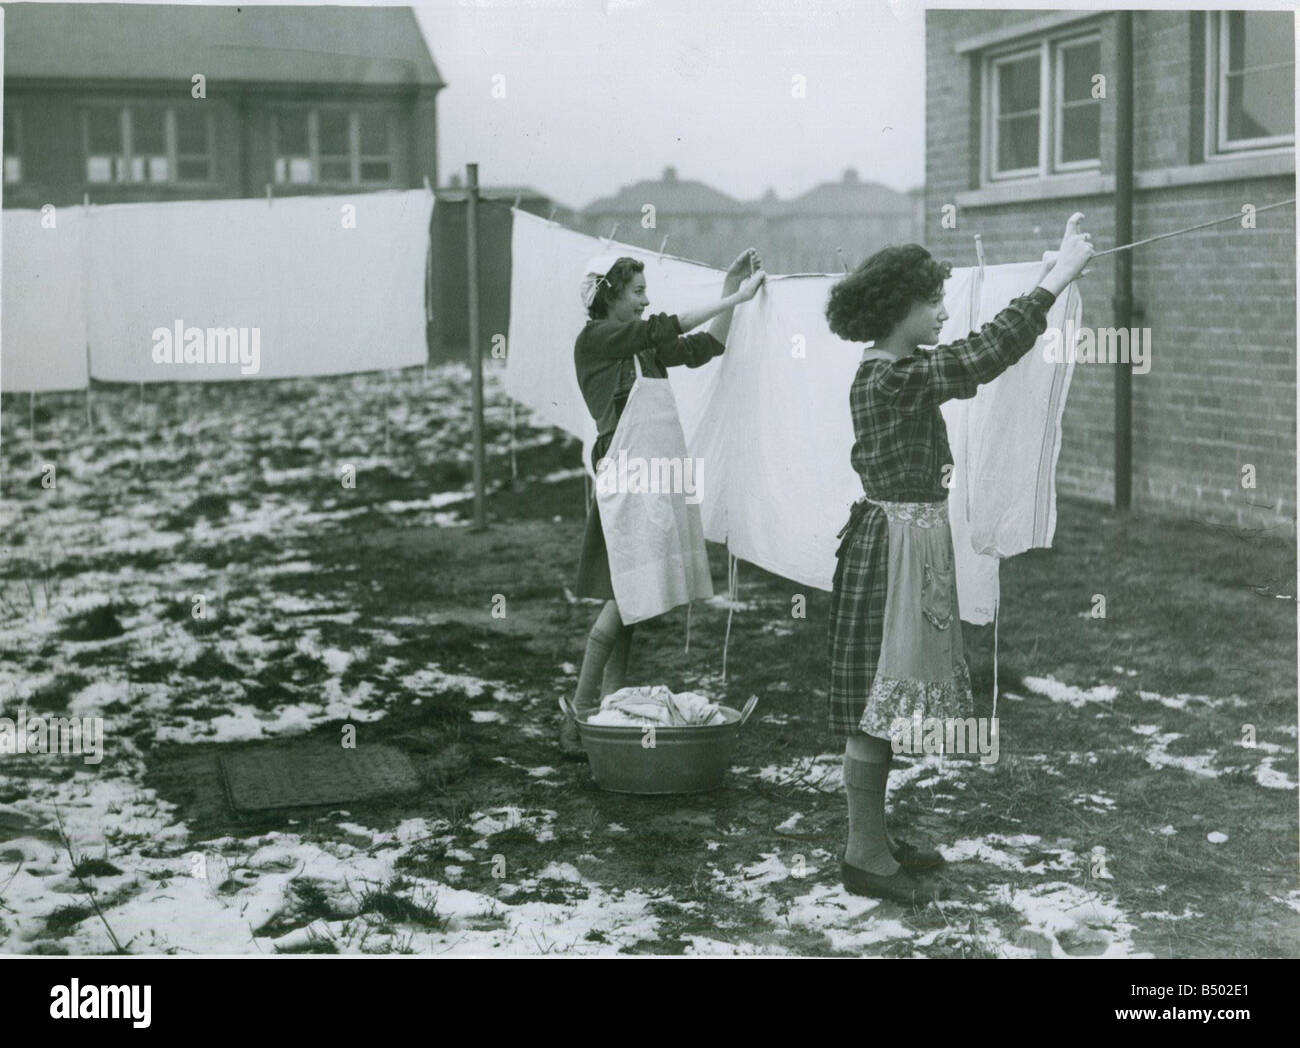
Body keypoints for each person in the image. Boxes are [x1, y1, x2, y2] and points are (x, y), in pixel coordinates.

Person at [824, 214, 1094, 903]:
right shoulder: (890, 380)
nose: (943, 310)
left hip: (908, 546)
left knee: (882, 707)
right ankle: (862, 855)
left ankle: (874, 840)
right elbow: (981, 357)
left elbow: (972, 354)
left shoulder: (901, 370)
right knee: (872, 707)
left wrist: (1048, 276)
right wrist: (1056, 280)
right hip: (892, 553)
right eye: (932, 301)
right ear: (896, 310)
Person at [561, 249, 767, 757]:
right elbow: (658, 328)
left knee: (634, 596)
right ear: (611, 295)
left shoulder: (642, 349)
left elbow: (708, 346)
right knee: (625, 596)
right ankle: (580, 717)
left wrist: (729, 295)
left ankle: (607, 713)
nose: (646, 299)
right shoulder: (597, 340)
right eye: (637, 292)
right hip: (628, 472)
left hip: (656, 474)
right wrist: (738, 294)